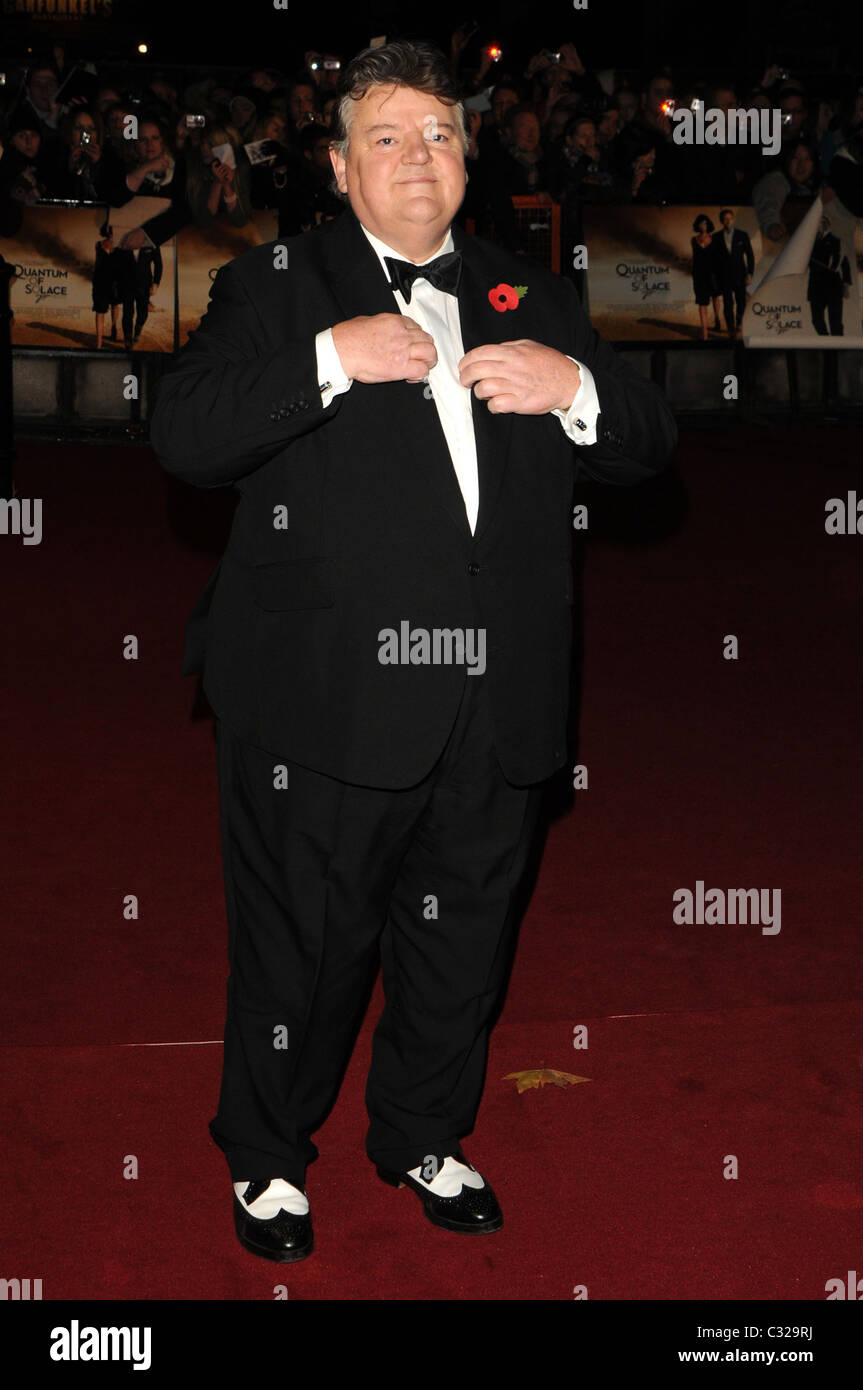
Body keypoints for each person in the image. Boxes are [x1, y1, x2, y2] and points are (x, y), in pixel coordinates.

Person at [149, 38, 677, 1264]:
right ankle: (269, 1156)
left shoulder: (528, 290)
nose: (416, 158)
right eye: (384, 137)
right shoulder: (276, 286)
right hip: (325, 703)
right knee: (306, 949)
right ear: (339, 164)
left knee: (464, 937)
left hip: (499, 702)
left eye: (437, 134)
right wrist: (330, 360)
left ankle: (422, 1133)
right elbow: (185, 432)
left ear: (468, 155)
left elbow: (650, 444)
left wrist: (576, 389)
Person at [711, 207, 754, 337]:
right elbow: (713, 259)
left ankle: (739, 323)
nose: (728, 221)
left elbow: (750, 256)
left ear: (733, 219)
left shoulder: (742, 235)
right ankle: (730, 328)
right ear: (721, 221)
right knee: (728, 303)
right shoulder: (716, 237)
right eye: (725, 219)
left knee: (741, 301)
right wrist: (714, 277)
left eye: (730, 219)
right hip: (724, 277)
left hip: (740, 275)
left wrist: (750, 274)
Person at [807, 216, 851, 336]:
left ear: (827, 224)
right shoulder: (809, 241)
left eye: (820, 223)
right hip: (816, 286)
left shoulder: (836, 241)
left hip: (833, 286)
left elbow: (844, 264)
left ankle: (837, 352)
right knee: (816, 321)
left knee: (835, 324)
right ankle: (828, 348)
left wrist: (846, 284)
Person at [690, 214, 722, 340]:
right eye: (701, 223)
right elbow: (695, 257)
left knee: (715, 297)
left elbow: (718, 257)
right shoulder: (693, 240)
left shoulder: (714, 239)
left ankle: (717, 318)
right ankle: (705, 333)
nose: (703, 225)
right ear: (697, 225)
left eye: (705, 223)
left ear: (708, 225)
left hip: (713, 273)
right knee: (702, 303)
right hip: (699, 274)